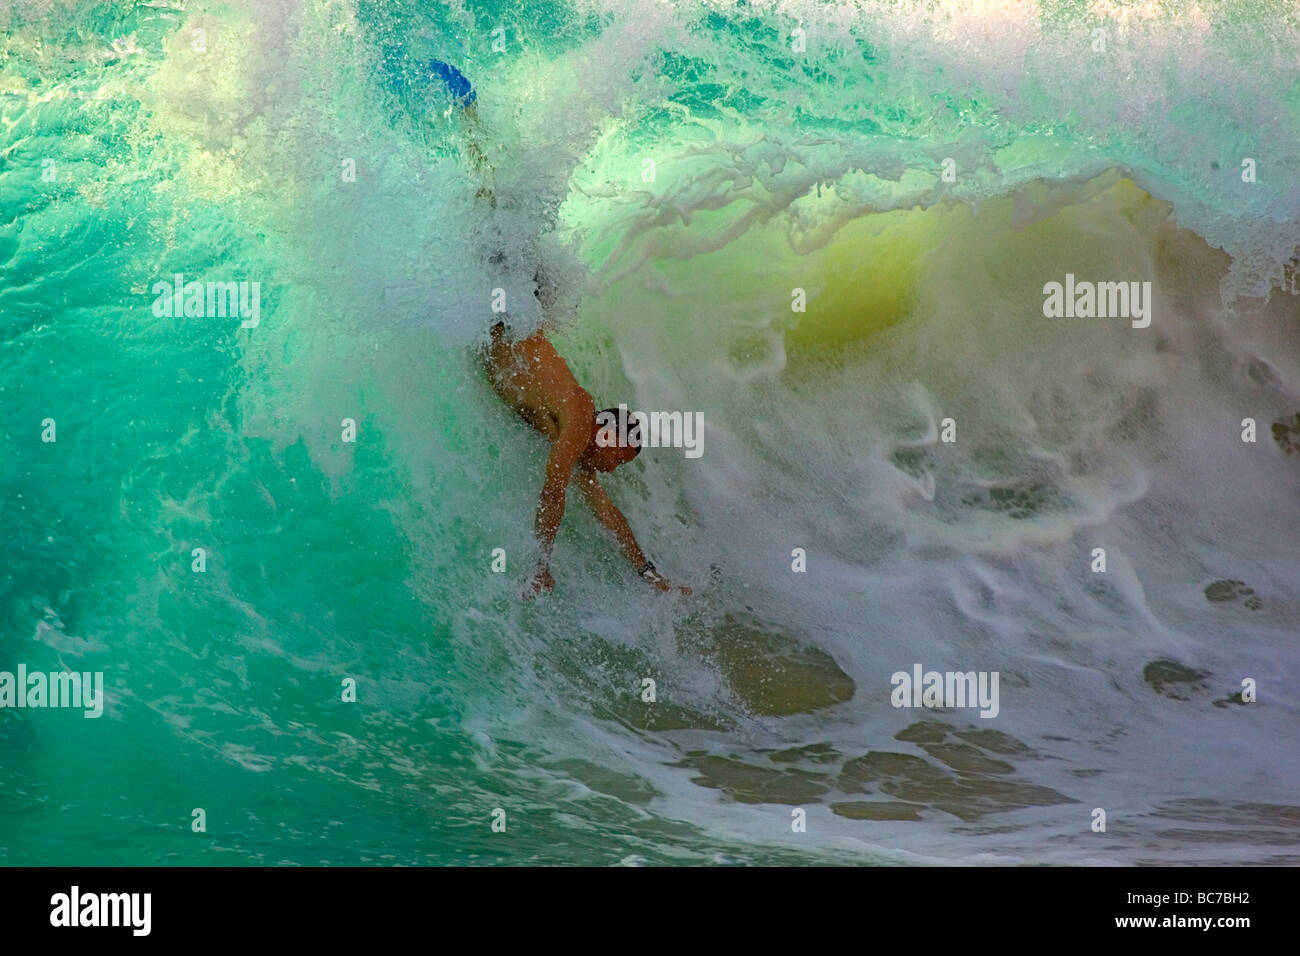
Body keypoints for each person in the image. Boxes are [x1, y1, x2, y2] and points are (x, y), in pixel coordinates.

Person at [482, 317, 691, 599]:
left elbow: (607, 513)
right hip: (508, 320)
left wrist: (650, 575)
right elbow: (553, 494)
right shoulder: (579, 419)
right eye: (618, 458)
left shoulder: (570, 439)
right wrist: (540, 569)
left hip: (497, 328)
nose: (612, 468)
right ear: (608, 435)